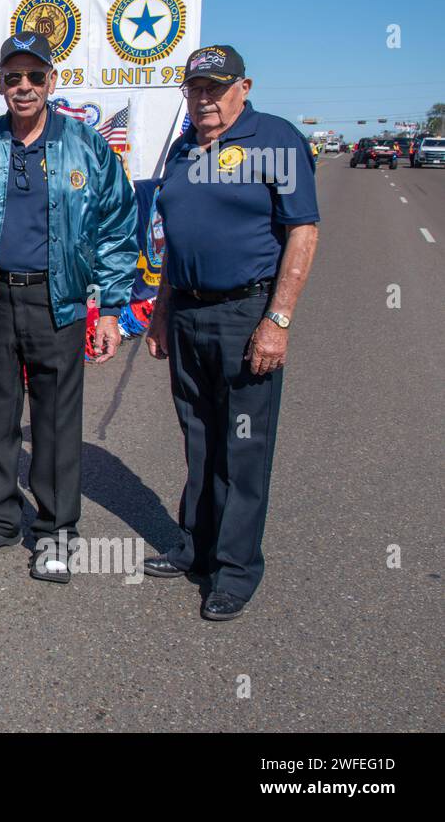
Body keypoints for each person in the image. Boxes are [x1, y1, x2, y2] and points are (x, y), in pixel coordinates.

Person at [0, 31, 138, 583]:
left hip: (59, 301)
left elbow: (118, 228)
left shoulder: (87, 146)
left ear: (52, 80)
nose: (24, 86)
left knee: (55, 420)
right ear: (0, 84)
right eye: (13, 77)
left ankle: (56, 532)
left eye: (34, 76)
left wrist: (113, 309)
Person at [144, 45, 319, 621]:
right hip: (190, 312)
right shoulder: (183, 147)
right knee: (198, 435)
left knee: (242, 446)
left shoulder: (277, 140)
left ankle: (236, 568)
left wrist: (278, 319)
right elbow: (176, 239)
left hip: (248, 313)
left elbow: (302, 232)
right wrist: (163, 311)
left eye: (215, 88)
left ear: (244, 87)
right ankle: (196, 544)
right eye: (194, 88)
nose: (204, 99)